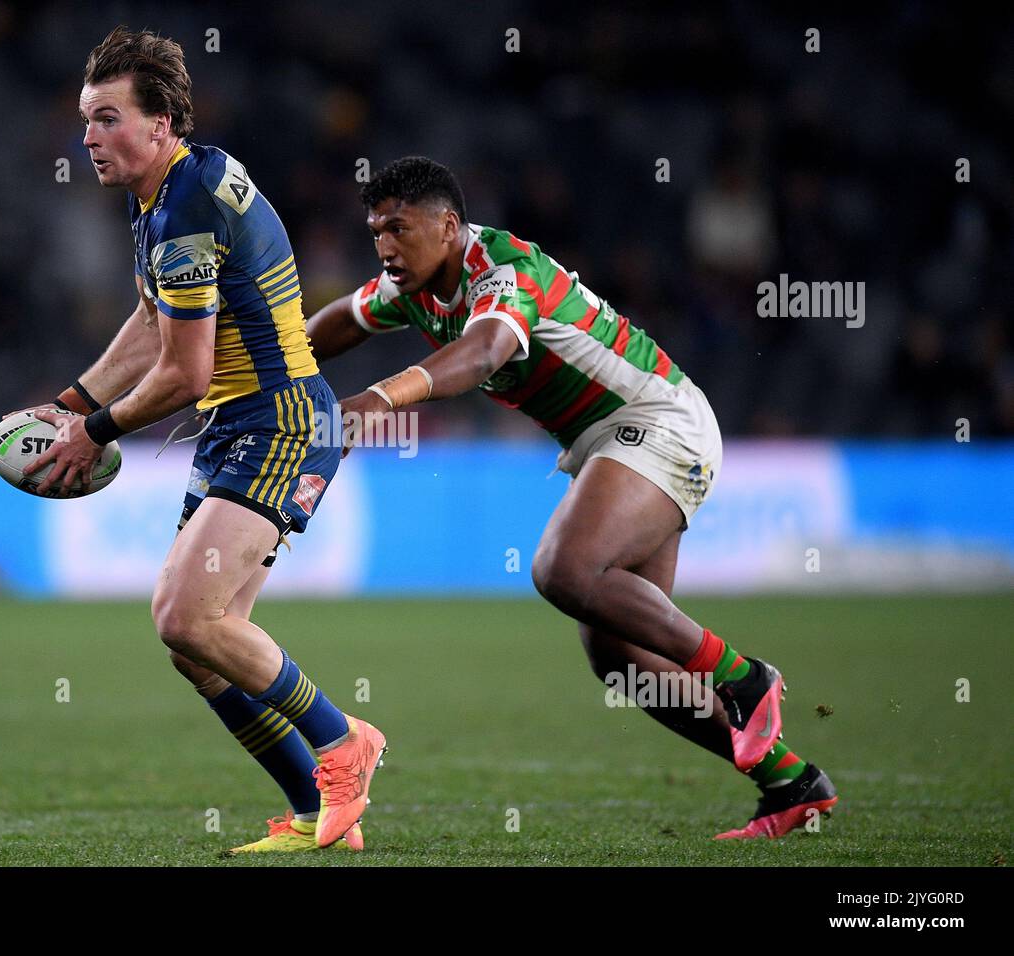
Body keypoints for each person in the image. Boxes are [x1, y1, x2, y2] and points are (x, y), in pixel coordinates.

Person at [306, 156, 836, 839]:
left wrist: (380, 399)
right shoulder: (409, 283)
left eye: (398, 228)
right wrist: (263, 363)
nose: (384, 245)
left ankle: (743, 677)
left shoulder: (504, 273)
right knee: (619, 659)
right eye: (376, 229)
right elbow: (340, 322)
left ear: (448, 225)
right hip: (612, 444)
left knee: (564, 570)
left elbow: (482, 354)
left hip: (659, 422)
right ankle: (791, 782)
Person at [14, 26, 386, 853]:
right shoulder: (175, 190)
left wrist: (93, 433)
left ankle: (342, 742)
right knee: (198, 644)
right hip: (240, 426)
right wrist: (72, 401)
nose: (88, 138)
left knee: (187, 615)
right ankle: (313, 811)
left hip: (281, 419)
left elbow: (183, 373)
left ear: (161, 123)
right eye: (84, 120)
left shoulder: (182, 208)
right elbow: (154, 326)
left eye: (108, 119)